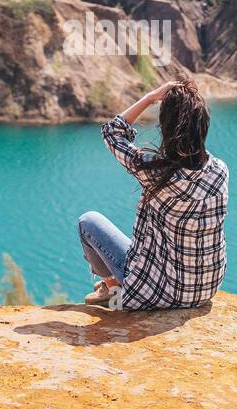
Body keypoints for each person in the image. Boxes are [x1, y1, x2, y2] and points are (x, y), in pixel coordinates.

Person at [77, 80, 228, 311]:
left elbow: (112, 132)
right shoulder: (219, 170)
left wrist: (150, 97)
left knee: (88, 222)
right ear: (203, 127)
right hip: (205, 289)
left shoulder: (154, 171)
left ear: (165, 127)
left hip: (158, 293)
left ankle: (113, 288)